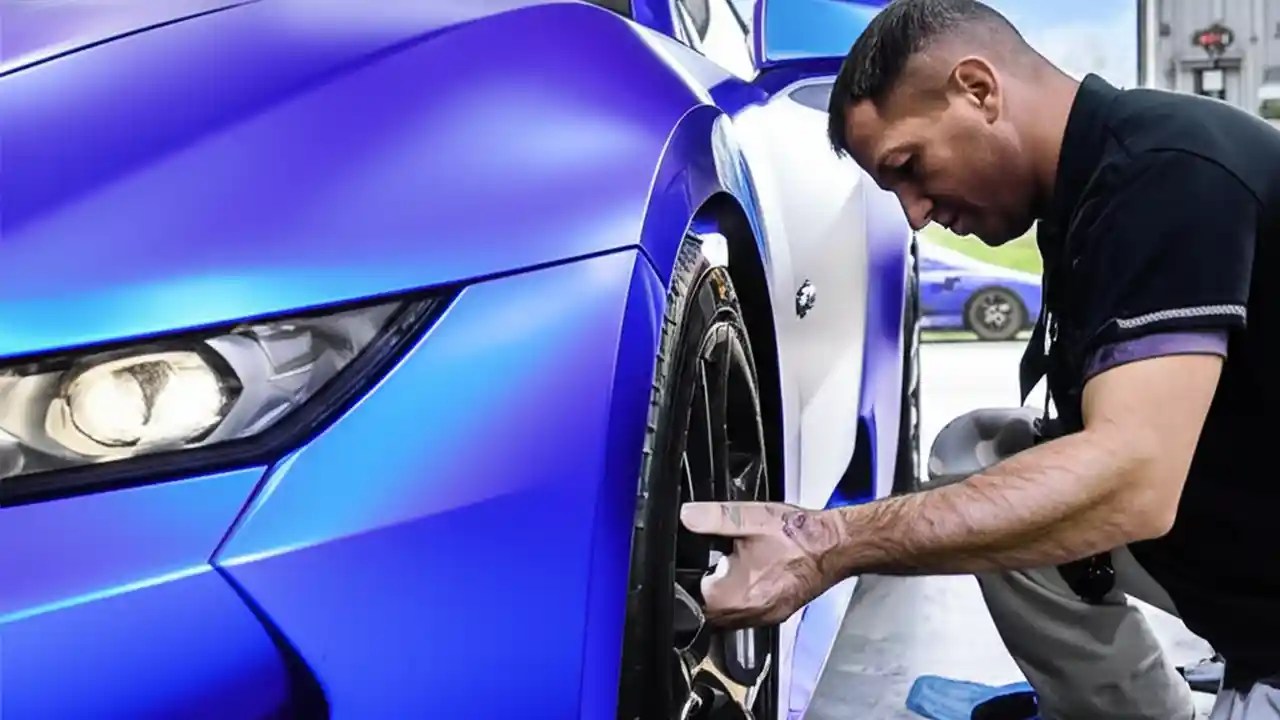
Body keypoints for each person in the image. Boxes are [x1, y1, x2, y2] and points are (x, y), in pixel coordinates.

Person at [678, 0, 1276, 717]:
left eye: (910, 167)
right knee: (983, 456)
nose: (915, 214)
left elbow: (1134, 481)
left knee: (1086, 470)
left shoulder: (1170, 176)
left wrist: (829, 541)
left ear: (979, 90)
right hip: (1249, 574)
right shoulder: (1090, 194)